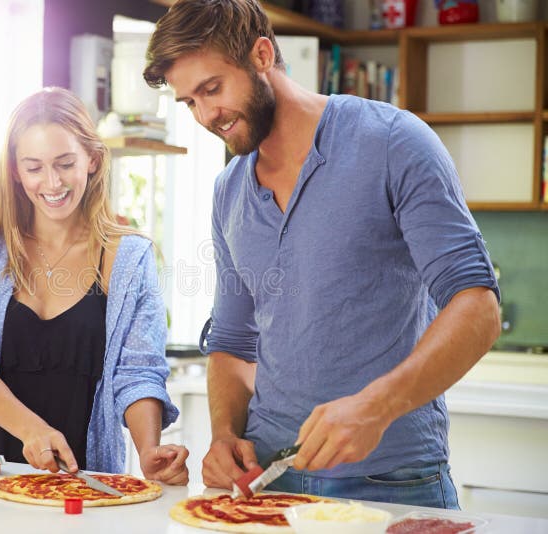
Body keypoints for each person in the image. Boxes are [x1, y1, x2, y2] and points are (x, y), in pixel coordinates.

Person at [144, 0, 500, 506]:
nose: (206, 115)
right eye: (189, 103)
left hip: (393, 483)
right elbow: (233, 340)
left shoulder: (394, 142)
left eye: (212, 89)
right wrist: (225, 434)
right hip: (268, 487)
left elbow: (478, 306)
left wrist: (376, 407)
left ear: (262, 55)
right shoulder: (229, 191)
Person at [0, 87, 189, 485]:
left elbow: (138, 372)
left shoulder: (129, 258)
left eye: (65, 163)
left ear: (92, 159)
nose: (52, 182)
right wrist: (32, 430)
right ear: (15, 171)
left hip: (87, 484)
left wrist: (149, 451)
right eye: (34, 167)